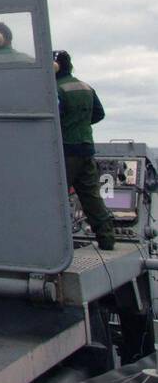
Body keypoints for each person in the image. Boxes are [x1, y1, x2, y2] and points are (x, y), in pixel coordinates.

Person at [54, 50, 114, 249]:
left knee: (54, 196)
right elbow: (99, 114)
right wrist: (81, 124)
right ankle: (106, 238)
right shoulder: (86, 87)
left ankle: (52, 245)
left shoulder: (56, 89)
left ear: (55, 66)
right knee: (91, 196)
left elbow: (52, 118)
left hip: (65, 150)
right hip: (86, 149)